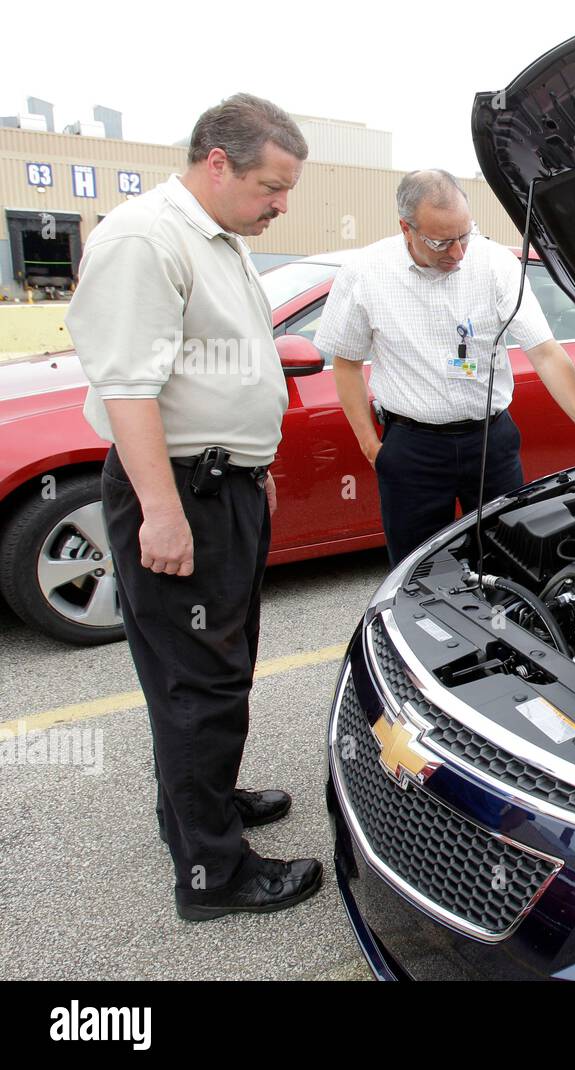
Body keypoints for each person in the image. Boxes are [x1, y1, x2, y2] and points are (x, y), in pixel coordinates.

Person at [64, 93, 322, 921]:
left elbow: (224, 366)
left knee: (215, 672)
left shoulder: (218, 237)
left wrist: (256, 463)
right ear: (218, 163)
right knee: (198, 686)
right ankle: (214, 874)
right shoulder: (146, 238)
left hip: (223, 485)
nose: (282, 205)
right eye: (271, 188)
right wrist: (162, 512)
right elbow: (129, 387)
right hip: (182, 493)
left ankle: (198, 805)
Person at [316, 168, 575, 566]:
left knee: (508, 558)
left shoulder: (495, 264)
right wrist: (372, 447)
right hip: (413, 449)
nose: (458, 253)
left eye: (465, 235)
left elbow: (545, 352)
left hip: (490, 444)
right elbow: (347, 364)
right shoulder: (365, 273)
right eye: (441, 241)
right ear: (405, 228)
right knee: (416, 569)